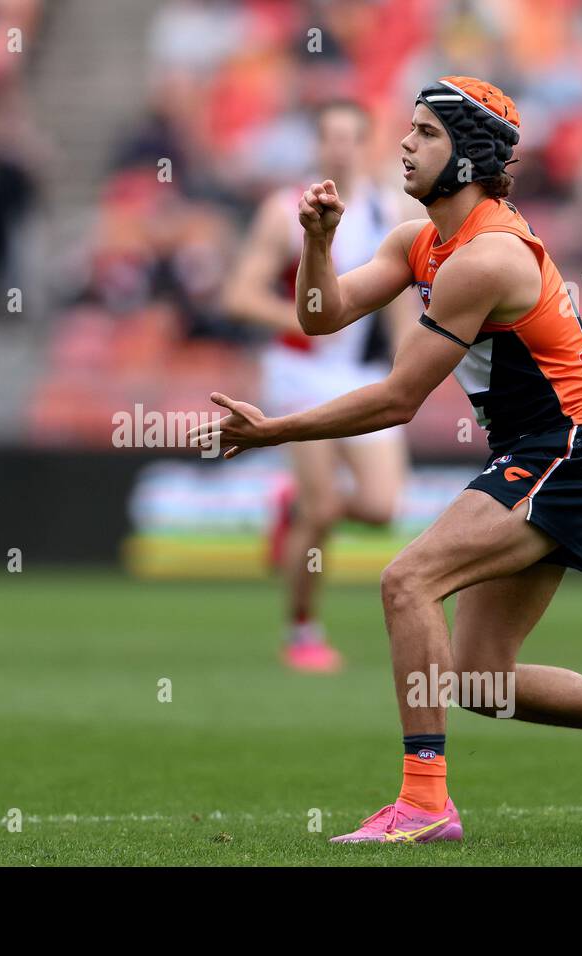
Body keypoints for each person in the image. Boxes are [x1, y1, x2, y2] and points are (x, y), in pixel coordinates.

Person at [190, 77, 582, 842]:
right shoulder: (419, 240)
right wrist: (315, 244)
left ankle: (424, 805)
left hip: (569, 450)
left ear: (471, 156)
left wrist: (273, 431)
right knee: (481, 680)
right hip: (540, 452)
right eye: (408, 129)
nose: (405, 144)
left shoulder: (487, 257)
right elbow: (321, 316)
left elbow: (397, 400)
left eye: (426, 133)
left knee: (407, 580)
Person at [222, 100, 410, 673]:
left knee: (381, 508)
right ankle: (303, 630)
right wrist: (307, 319)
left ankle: (292, 511)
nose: (341, 147)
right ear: (318, 144)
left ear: (368, 142)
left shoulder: (388, 207)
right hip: (300, 373)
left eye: (352, 137)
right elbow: (239, 295)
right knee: (324, 507)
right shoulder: (285, 210)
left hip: (358, 373)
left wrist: (410, 358)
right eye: (330, 136)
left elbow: (403, 292)